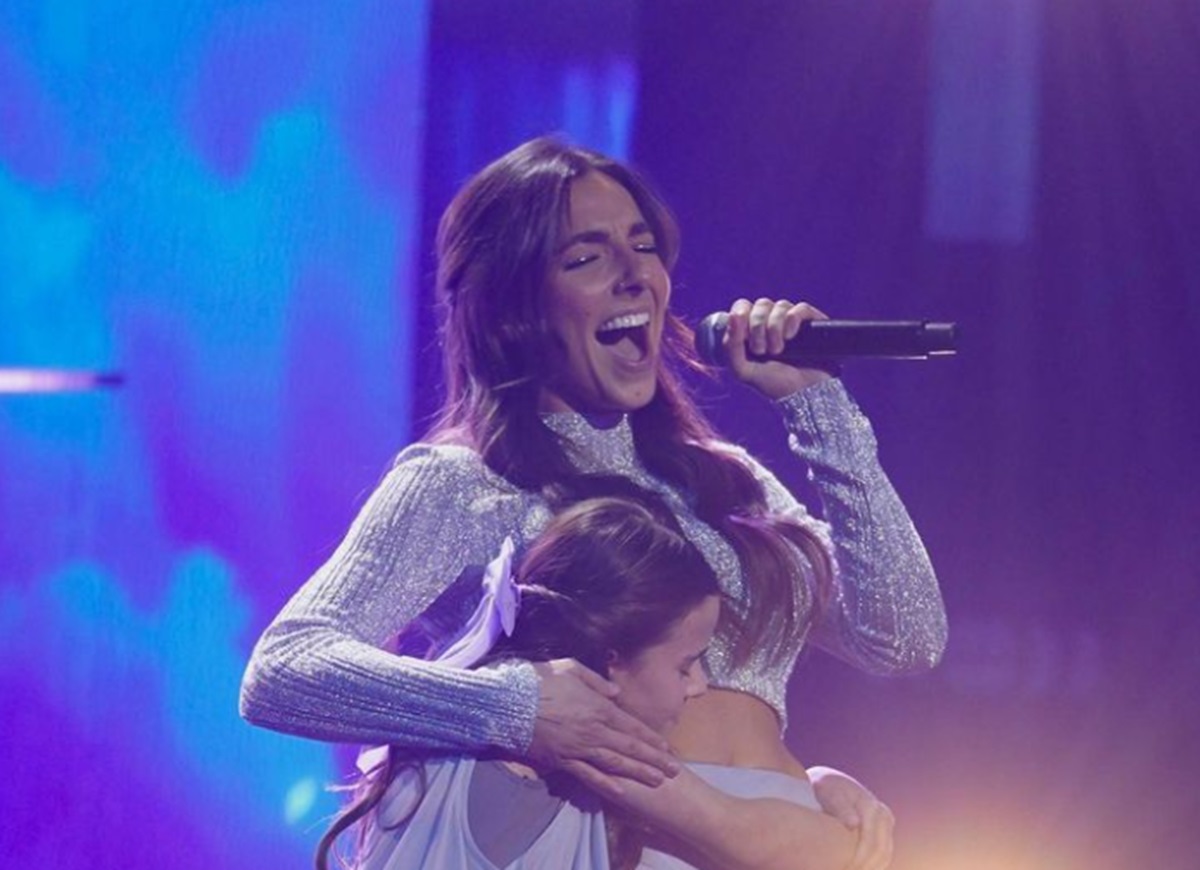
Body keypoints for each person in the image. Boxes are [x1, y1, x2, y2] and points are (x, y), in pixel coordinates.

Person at [240, 136, 947, 867]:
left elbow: (903, 637)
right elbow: (285, 669)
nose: (635, 276)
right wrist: (514, 708)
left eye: (643, 248)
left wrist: (818, 408)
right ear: (514, 308)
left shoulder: (724, 479)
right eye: (587, 258)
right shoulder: (465, 484)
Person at [316, 496, 859, 870]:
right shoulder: (578, 755)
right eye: (686, 664)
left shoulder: (589, 759)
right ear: (612, 661)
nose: (698, 688)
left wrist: (819, 780)